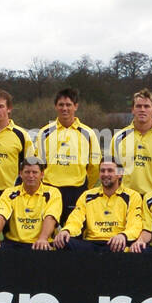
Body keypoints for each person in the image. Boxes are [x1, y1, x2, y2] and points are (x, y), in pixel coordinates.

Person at [36, 87, 102, 219]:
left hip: (76, 190)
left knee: (74, 232)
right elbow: (38, 163)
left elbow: (95, 165)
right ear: (55, 106)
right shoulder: (44, 133)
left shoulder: (88, 133)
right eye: (61, 105)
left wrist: (86, 187)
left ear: (76, 106)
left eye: (68, 105)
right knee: (48, 232)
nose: (64, 108)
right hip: (50, 188)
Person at [54, 160, 143, 252]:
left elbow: (135, 223)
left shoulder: (132, 196)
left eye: (110, 171)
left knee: (133, 249)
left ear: (120, 174)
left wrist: (123, 235)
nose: (105, 174)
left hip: (116, 243)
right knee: (62, 241)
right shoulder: (87, 195)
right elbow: (76, 219)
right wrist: (67, 230)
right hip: (91, 243)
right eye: (102, 171)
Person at [108, 88, 152, 196]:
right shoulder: (119, 138)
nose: (142, 110)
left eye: (146, 106)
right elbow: (110, 170)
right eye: (138, 106)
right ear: (132, 109)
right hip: (126, 198)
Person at [0, 155, 62, 250]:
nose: (31, 176)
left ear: (42, 174)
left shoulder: (53, 193)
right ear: (20, 174)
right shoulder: (9, 193)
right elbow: (0, 216)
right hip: (13, 243)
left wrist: (43, 238)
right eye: (27, 172)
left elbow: (50, 217)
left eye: (35, 172)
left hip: (40, 243)